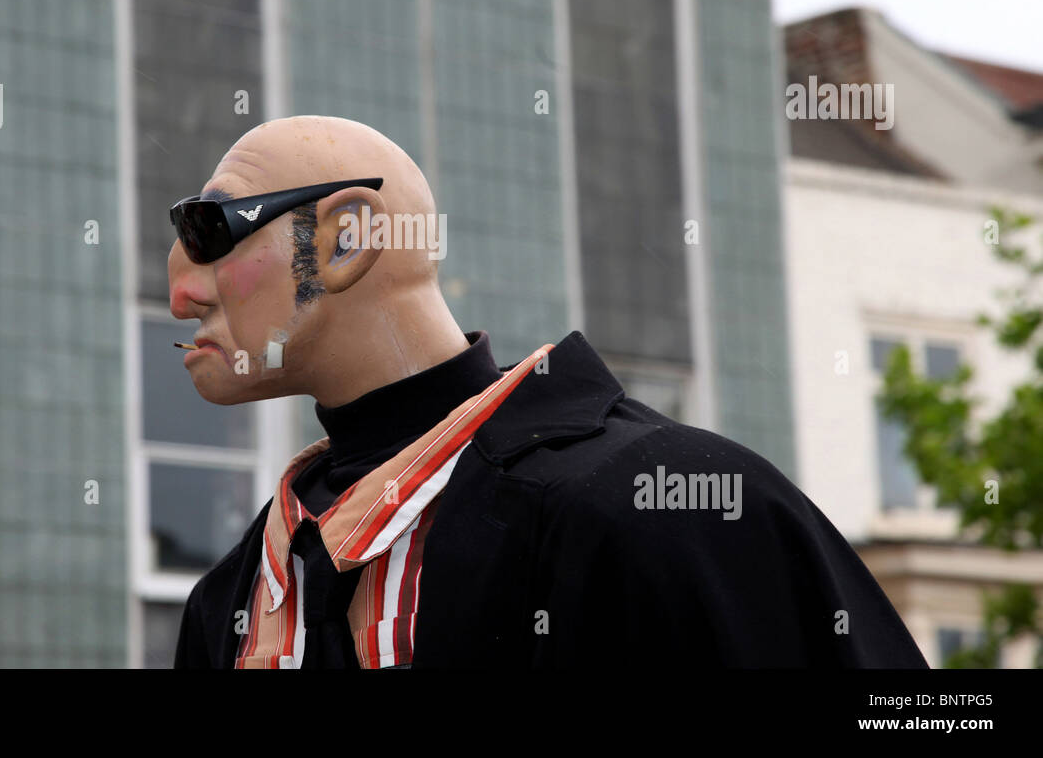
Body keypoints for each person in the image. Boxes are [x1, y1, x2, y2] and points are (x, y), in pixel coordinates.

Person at [168, 114, 927, 668]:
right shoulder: (230, 601)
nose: (181, 294)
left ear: (348, 239)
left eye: (209, 230)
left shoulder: (672, 507)